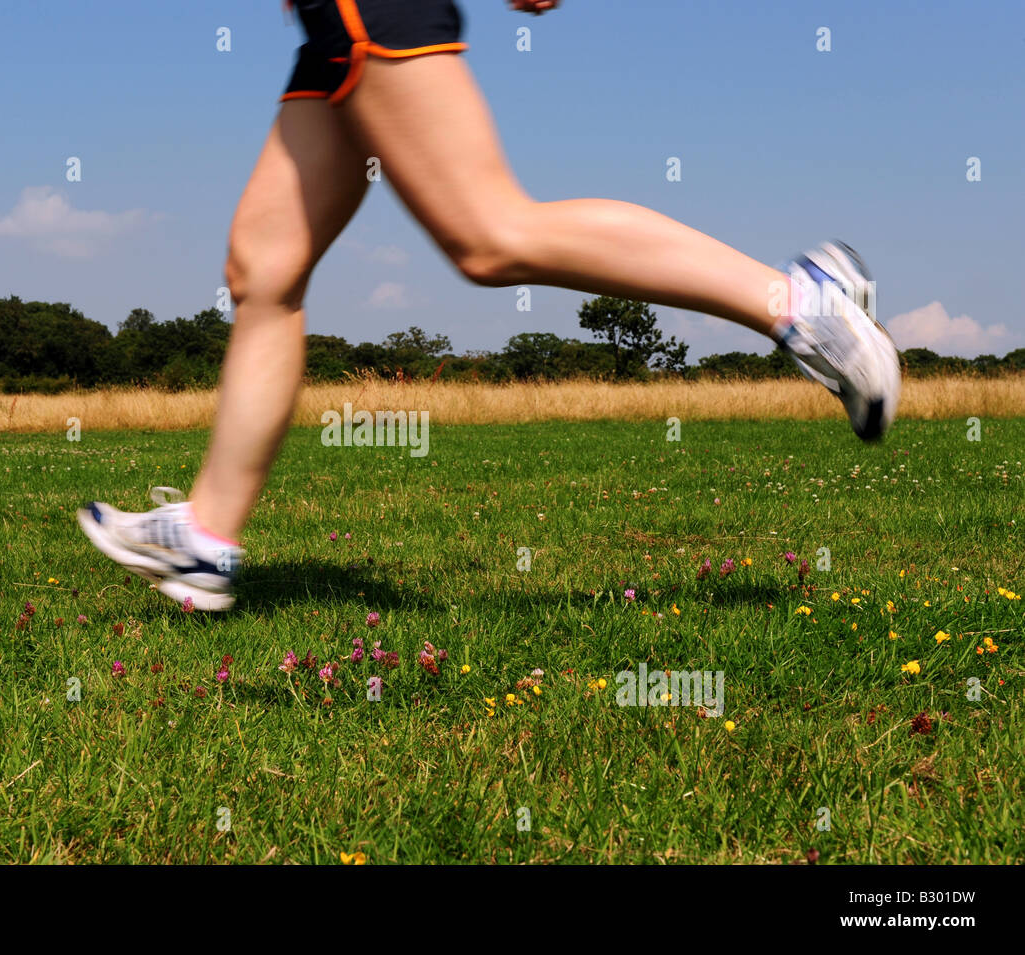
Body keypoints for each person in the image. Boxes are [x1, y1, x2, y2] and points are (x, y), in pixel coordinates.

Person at [77, 0, 901, 611]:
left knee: (489, 234)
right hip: (323, 26)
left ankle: (798, 301)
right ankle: (205, 540)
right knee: (263, 268)